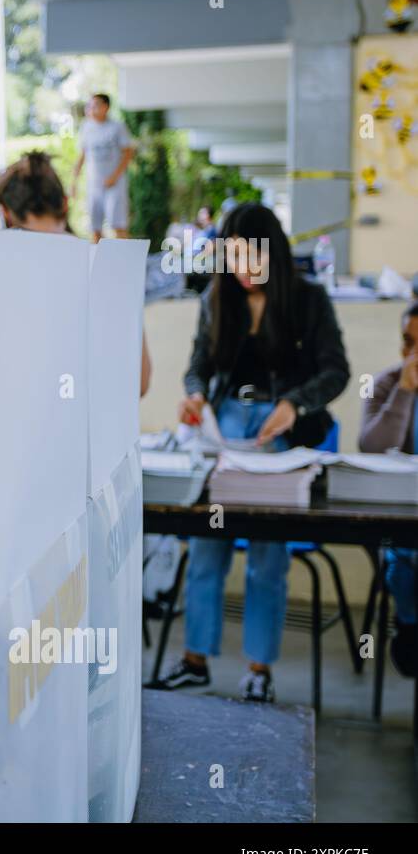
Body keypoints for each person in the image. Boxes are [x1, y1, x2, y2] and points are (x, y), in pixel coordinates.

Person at [159, 202, 350, 702]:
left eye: (250, 257)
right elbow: (197, 365)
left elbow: (336, 371)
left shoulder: (308, 301)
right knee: (206, 546)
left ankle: (258, 670)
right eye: (232, 257)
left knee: (269, 557)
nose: (241, 269)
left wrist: (294, 403)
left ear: (275, 252)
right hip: (224, 439)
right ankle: (195, 659)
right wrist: (196, 395)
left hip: (280, 441)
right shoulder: (218, 299)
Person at [0, 151, 152, 400]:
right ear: (64, 204)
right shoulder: (104, 265)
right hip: (67, 421)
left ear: (6, 213)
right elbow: (138, 382)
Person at [357, 300, 418, 676]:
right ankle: (410, 627)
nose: (415, 353)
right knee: (405, 561)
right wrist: (405, 394)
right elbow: (371, 447)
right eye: (409, 342)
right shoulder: (385, 384)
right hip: (403, 522)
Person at [72, 93, 135, 243]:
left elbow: (128, 153)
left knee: (117, 225)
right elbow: (82, 155)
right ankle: (97, 263)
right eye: (89, 106)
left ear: (106, 107)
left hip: (115, 184)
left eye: (95, 105)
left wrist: (114, 177)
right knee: (95, 228)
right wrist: (74, 182)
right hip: (94, 185)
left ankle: (128, 261)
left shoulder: (117, 127)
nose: (91, 109)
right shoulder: (86, 128)